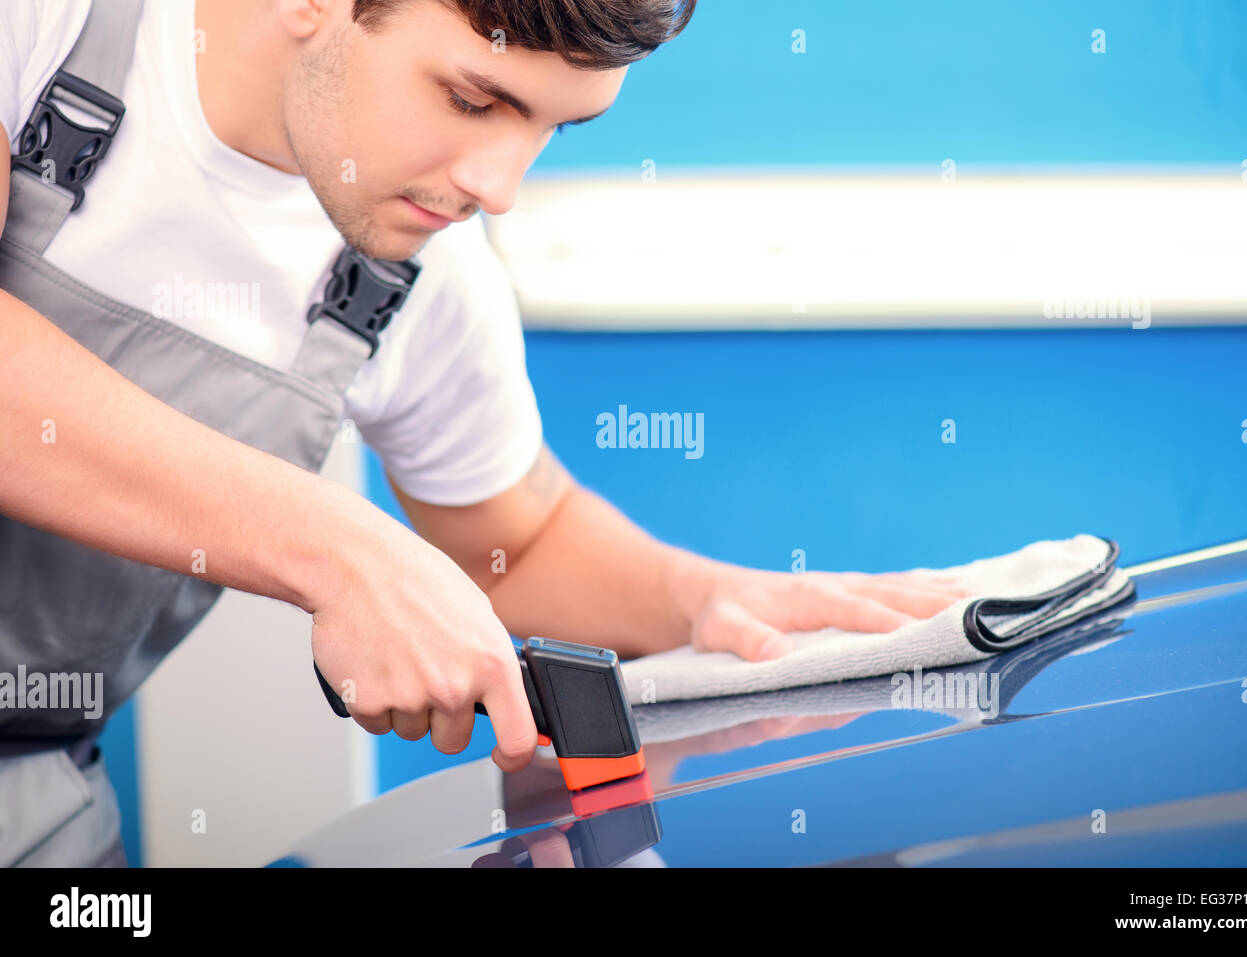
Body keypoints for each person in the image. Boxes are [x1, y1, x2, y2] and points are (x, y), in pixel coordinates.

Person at [0, 0, 967, 866]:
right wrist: (344, 553)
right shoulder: (40, 26)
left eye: (555, 126)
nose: (498, 185)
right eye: (474, 100)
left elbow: (518, 542)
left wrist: (708, 600)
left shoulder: (423, 271)